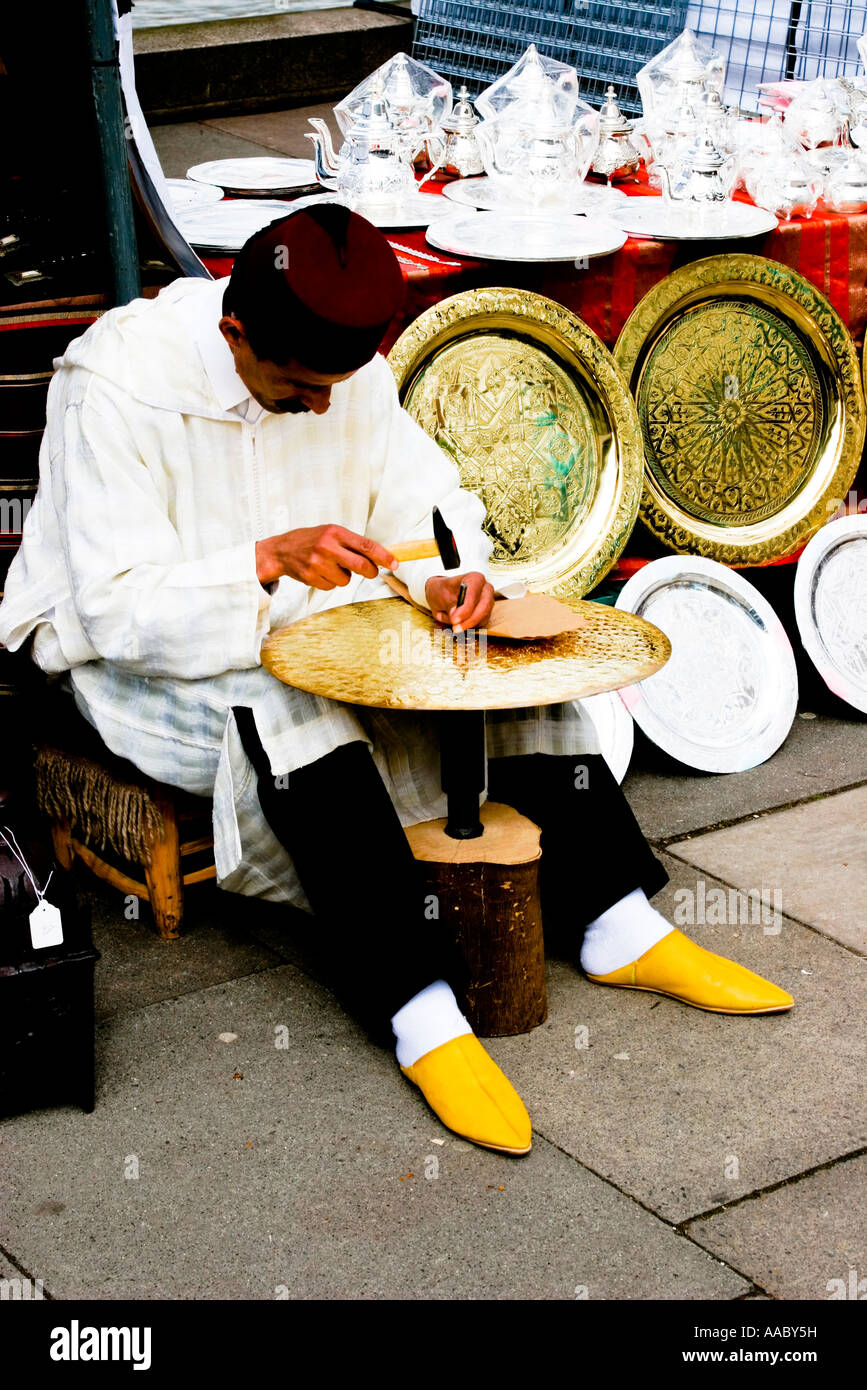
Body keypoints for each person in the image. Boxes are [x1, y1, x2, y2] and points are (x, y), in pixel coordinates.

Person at [0, 205, 792, 1157]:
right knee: (289, 704)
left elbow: (417, 507)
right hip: (136, 662)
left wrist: (442, 578)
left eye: (339, 386)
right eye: (301, 389)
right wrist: (260, 562)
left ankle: (617, 922)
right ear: (234, 332)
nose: (327, 409)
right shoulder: (118, 383)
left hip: (314, 624)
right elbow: (115, 610)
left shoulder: (346, 373)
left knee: (505, 654)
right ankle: (420, 1013)